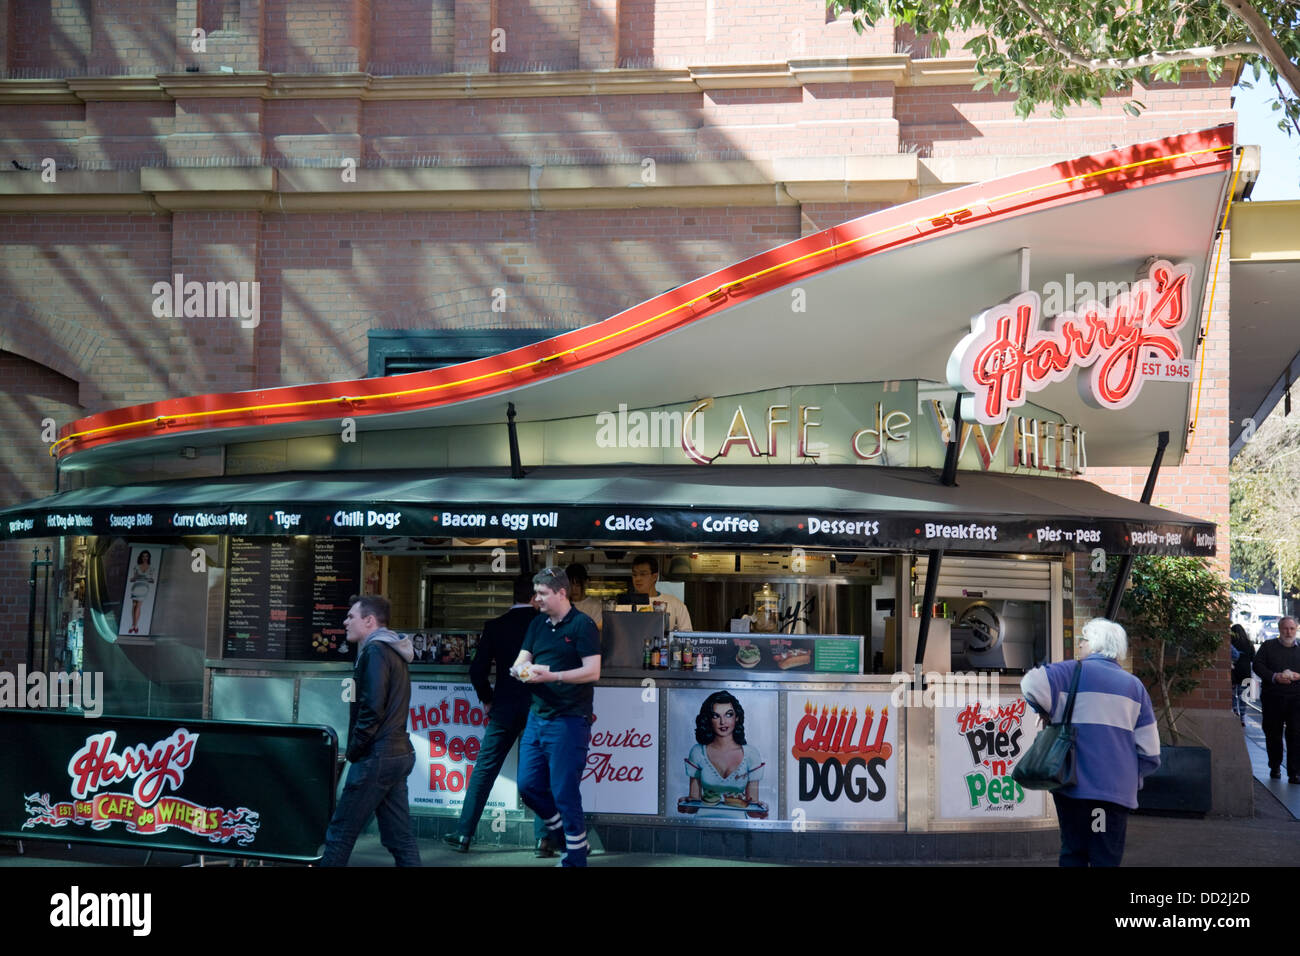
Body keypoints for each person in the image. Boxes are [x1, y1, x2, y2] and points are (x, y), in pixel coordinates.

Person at [1020, 618, 1160, 867]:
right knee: (1104, 857)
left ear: (1094, 644)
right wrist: (1132, 777)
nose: (1080, 645)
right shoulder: (1135, 687)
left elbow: (1029, 684)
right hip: (1113, 793)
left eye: (1083, 640)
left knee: (1073, 852)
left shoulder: (1067, 672)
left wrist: (1042, 710)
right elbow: (1150, 752)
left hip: (1071, 787)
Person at [444, 574, 553, 855]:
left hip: (504, 706)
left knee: (484, 769)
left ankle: (463, 834)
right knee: (541, 770)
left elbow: (477, 671)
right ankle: (543, 840)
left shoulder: (495, 626)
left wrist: (488, 699)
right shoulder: (546, 625)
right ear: (533, 597)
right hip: (537, 707)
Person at [321, 595, 421, 867]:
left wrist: (354, 749)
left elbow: (372, 707)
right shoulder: (392, 650)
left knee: (340, 833)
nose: (345, 622)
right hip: (396, 753)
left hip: (377, 755)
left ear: (369, 620)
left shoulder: (376, 651)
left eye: (351, 617)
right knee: (400, 839)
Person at [511, 567, 601, 866]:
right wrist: (521, 671)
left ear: (562, 593)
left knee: (564, 791)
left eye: (542, 594)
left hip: (570, 719)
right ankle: (569, 837)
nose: (537, 599)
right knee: (527, 786)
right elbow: (521, 660)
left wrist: (552, 676)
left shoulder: (583, 625)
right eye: (536, 593)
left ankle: (574, 858)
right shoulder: (537, 624)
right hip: (537, 717)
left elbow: (593, 671)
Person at [680, 691, 767, 818]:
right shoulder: (698, 752)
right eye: (716, 716)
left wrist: (761, 811)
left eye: (729, 715)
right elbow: (694, 804)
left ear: (737, 717)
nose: (722, 722)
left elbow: (751, 809)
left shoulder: (751, 755)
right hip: (703, 826)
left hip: (739, 829)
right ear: (709, 719)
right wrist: (685, 807)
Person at [1252, 615, 1300, 783]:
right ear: (1279, 630)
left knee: (1296, 734)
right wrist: (1274, 676)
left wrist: (1297, 676)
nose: (1288, 632)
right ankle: (1275, 766)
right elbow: (1257, 665)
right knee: (1273, 734)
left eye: (1292, 629)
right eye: (1285, 628)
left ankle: (1295, 772)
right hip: (1273, 697)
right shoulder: (1268, 646)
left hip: (1296, 699)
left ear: (1296, 629)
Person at [630, 554, 693, 633]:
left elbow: (687, 635)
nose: (637, 579)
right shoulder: (624, 605)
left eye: (643, 574)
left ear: (654, 576)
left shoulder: (674, 603)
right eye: (634, 574)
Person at [565, 562, 605, 630]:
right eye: (570, 585)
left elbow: (597, 631)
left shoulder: (595, 606)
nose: (574, 589)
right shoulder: (562, 606)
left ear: (585, 582)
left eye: (577, 585)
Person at [1230, 623, 1256, 725]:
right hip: (1245, 672)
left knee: (1232, 695)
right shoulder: (1249, 643)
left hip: (1233, 671)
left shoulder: (1230, 643)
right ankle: (1242, 718)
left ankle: (1235, 713)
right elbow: (1253, 658)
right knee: (1243, 696)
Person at [126, 549, 155, 635]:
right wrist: (134, 578)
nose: (145, 558)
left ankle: (134, 625)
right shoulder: (136, 566)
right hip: (136, 587)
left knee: (138, 606)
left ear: (148, 557)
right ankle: (134, 625)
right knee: (134, 605)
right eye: (143, 556)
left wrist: (147, 579)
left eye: (146, 556)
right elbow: (132, 578)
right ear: (141, 557)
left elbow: (152, 580)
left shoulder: (151, 568)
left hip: (144, 587)